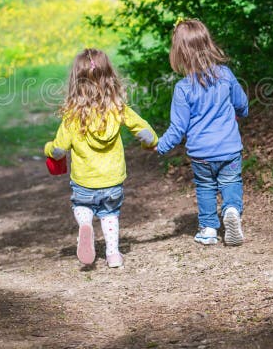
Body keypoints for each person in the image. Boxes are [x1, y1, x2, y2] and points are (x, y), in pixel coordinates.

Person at [45, 48, 158, 268]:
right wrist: (150, 139)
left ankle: (85, 224)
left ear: (76, 82)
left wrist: (49, 149)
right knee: (110, 214)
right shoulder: (117, 109)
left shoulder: (73, 115)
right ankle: (113, 254)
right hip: (112, 180)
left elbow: (60, 146)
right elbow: (142, 128)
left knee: (82, 205)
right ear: (109, 78)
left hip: (85, 181)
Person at [155, 19, 248, 246]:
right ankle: (232, 210)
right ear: (208, 44)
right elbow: (242, 104)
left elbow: (178, 128)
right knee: (231, 181)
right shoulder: (225, 75)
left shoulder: (183, 88)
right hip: (229, 148)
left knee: (205, 187)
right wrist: (240, 112)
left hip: (201, 153)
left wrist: (159, 146)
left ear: (179, 53)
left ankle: (208, 229)